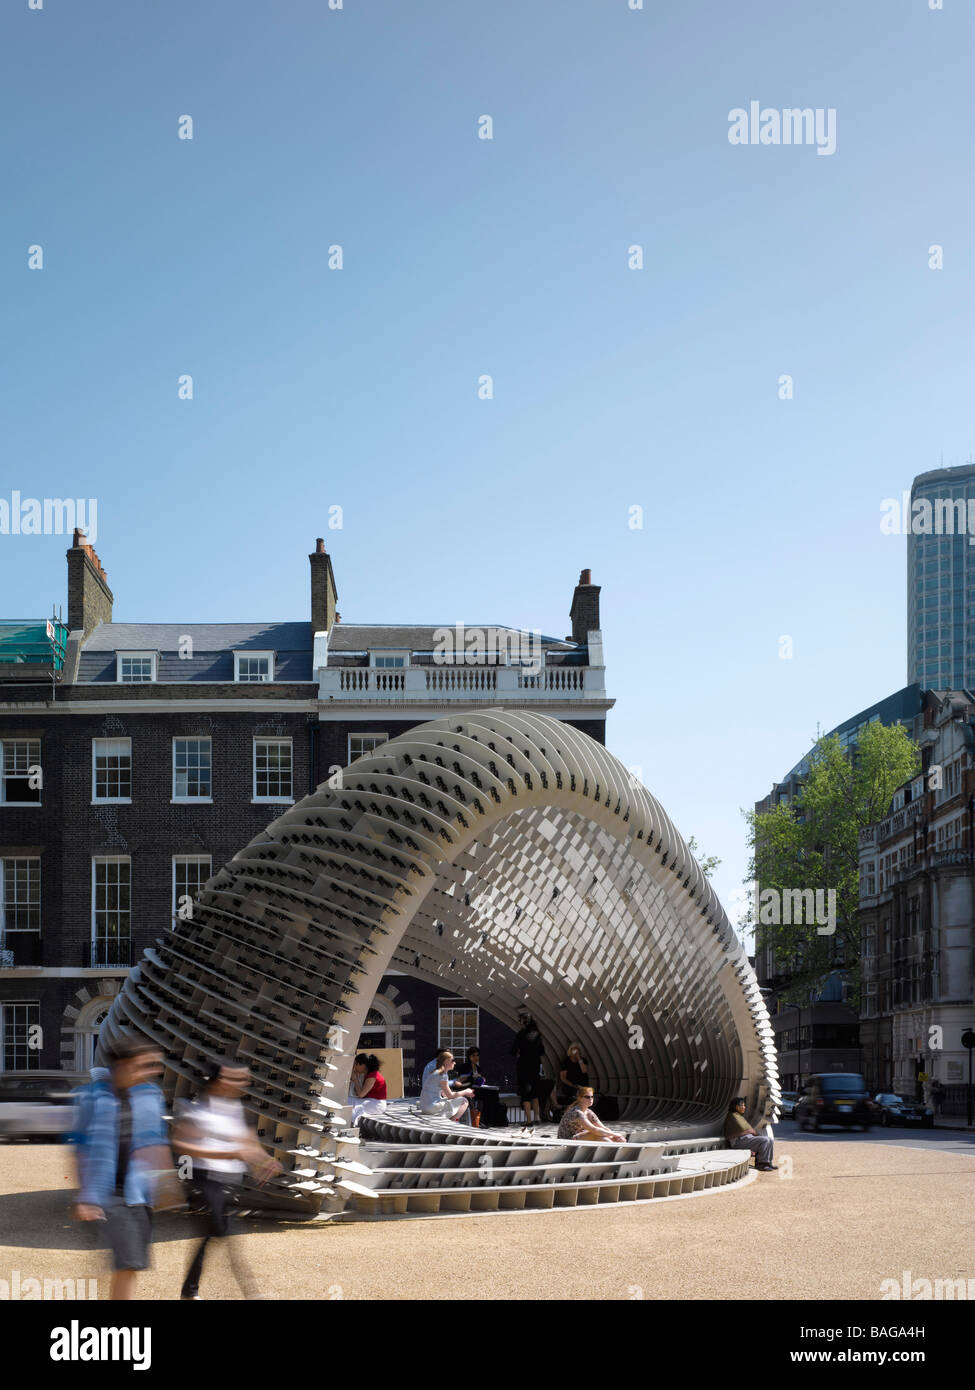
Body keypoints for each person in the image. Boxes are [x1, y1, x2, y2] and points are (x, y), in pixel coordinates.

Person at [71, 1036, 173, 1300]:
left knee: (130, 1265)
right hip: (108, 1194)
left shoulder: (151, 1096)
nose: (151, 1072)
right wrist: (85, 1196)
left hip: (139, 1194)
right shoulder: (92, 1097)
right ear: (123, 1066)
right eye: (144, 1065)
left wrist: (165, 1185)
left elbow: (157, 1141)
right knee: (128, 1263)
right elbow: (80, 1149)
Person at [172, 1059, 282, 1300]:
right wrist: (228, 1153)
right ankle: (249, 1293)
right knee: (224, 1234)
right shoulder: (195, 1108)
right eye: (237, 1078)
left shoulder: (234, 1109)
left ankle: (189, 1291)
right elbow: (181, 1144)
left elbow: (247, 1144)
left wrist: (266, 1161)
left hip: (228, 1181)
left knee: (215, 1235)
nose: (243, 1083)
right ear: (220, 1081)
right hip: (204, 1181)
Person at [417, 1050, 474, 1121]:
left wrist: (460, 1094)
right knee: (464, 1101)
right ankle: (452, 1122)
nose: (455, 1063)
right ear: (447, 1061)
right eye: (453, 1060)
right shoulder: (442, 1074)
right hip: (431, 1107)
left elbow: (445, 1094)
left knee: (455, 1099)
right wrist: (466, 1091)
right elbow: (450, 1096)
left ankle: (449, 1120)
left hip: (424, 1106)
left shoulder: (435, 1072)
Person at [510, 1013, 546, 1125]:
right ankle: (537, 1118)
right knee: (534, 1093)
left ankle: (528, 1120)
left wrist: (520, 1052)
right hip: (534, 1066)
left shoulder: (520, 1035)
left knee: (525, 1094)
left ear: (522, 1022)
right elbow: (541, 1052)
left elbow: (513, 1051)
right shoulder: (537, 1034)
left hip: (523, 1067)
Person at [724, 1097, 777, 1171]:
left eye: (744, 1105)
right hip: (738, 1141)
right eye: (742, 1105)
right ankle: (761, 1164)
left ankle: (768, 1162)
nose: (744, 1107)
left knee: (770, 1140)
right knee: (764, 1140)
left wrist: (752, 1132)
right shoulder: (732, 1115)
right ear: (736, 1106)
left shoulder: (738, 1115)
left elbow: (746, 1128)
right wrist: (753, 1132)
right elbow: (743, 1128)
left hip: (746, 1139)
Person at [556, 1086, 624, 1143]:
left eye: (592, 1097)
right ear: (579, 1098)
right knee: (595, 1133)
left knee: (603, 1138)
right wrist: (615, 1134)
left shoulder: (589, 1112)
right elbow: (594, 1129)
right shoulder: (577, 1112)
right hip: (566, 1140)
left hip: (579, 1138)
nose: (590, 1099)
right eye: (587, 1097)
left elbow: (603, 1127)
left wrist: (615, 1137)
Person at [348, 1053, 387, 1124]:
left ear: (363, 1065)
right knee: (348, 1099)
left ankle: (352, 1124)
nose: (355, 1067)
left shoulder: (372, 1076)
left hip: (377, 1104)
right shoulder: (368, 1075)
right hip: (371, 1101)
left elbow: (361, 1095)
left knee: (353, 1105)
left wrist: (355, 1080)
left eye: (356, 1064)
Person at [556, 1043, 589, 1115]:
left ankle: (583, 1113)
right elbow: (563, 1078)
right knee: (576, 1093)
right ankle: (574, 1113)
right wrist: (573, 1085)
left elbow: (584, 1070)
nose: (575, 1051)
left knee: (585, 1093)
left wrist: (579, 1058)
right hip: (570, 1085)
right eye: (573, 1049)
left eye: (577, 1049)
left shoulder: (583, 1060)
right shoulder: (566, 1061)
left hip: (582, 1085)